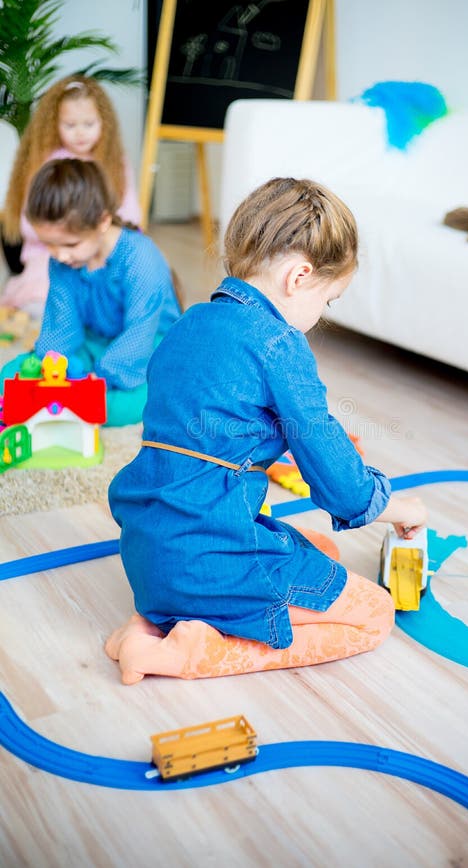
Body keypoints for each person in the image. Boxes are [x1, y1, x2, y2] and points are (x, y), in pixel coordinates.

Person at [106, 176, 427, 684]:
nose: (319, 316)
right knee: (374, 615)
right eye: (329, 300)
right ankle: (191, 652)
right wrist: (400, 507)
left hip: (148, 550)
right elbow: (344, 490)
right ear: (299, 277)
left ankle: (154, 623)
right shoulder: (280, 343)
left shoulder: (189, 323)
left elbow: (208, 432)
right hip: (205, 553)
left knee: (324, 549)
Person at [0, 159, 181, 426]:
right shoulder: (62, 262)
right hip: (95, 339)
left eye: (70, 244)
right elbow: (62, 326)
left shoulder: (141, 258)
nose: (59, 255)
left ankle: (77, 403)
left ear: (103, 221)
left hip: (148, 346)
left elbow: (140, 333)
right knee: (11, 376)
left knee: (136, 402)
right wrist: (53, 365)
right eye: (49, 244)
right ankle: (72, 402)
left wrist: (99, 380)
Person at [0, 75, 141, 316]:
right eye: (70, 125)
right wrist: (67, 240)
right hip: (51, 253)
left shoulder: (116, 163)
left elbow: (131, 216)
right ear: (56, 124)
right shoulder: (49, 165)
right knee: (48, 300)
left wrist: (97, 239)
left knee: (117, 296)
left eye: (88, 124)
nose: (80, 133)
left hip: (102, 252)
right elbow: (29, 222)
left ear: (103, 122)